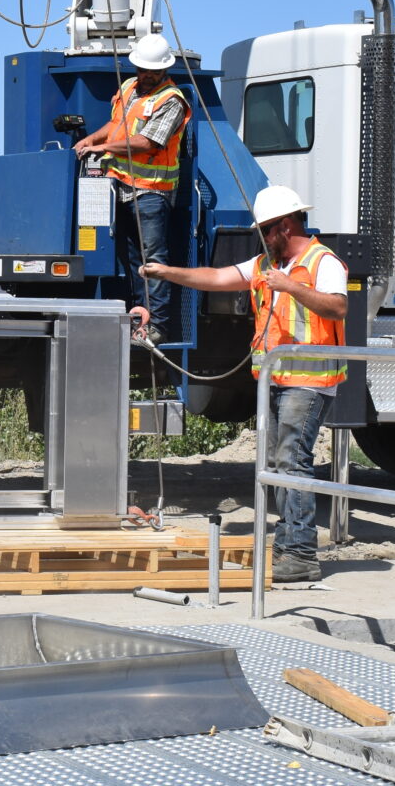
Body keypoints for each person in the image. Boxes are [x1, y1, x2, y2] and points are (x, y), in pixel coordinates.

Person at [141, 185, 346, 583]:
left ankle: (301, 552)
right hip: (277, 378)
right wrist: (167, 272)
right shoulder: (268, 265)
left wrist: (292, 288)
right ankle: (289, 547)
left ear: (285, 226)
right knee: (280, 464)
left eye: (266, 231)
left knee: (292, 462)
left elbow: (338, 307)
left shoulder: (322, 262)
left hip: (309, 381)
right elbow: (217, 277)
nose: (263, 240)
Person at [72, 36, 190, 344]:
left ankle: (158, 326)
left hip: (151, 192)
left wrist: (104, 148)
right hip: (121, 188)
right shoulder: (128, 88)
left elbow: (149, 142)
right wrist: (92, 141)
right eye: (142, 69)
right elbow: (115, 126)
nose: (146, 75)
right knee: (134, 261)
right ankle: (141, 318)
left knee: (153, 260)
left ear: (164, 70)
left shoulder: (172, 101)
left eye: (152, 71)